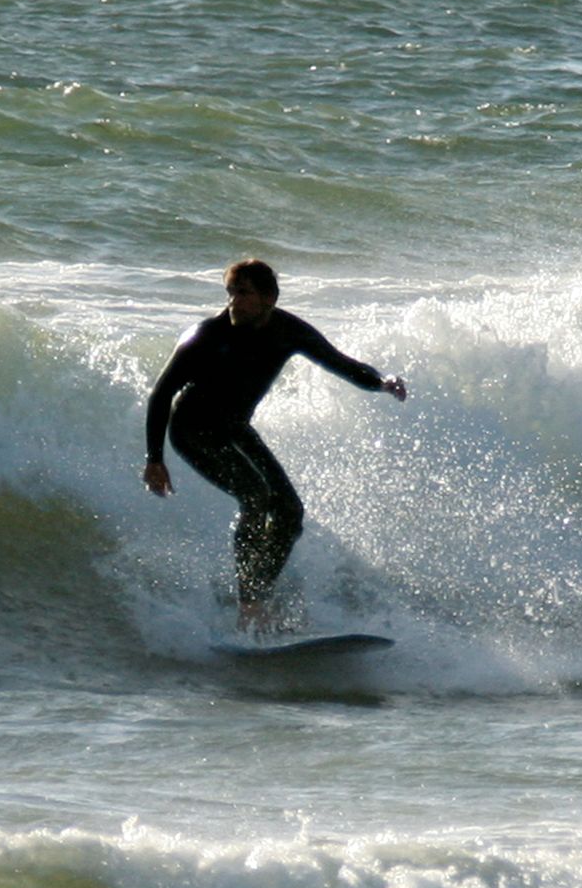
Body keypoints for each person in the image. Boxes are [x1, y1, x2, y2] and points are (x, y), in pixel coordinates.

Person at [142, 258, 406, 631]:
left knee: (289, 512)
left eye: (243, 293)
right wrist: (155, 458)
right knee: (255, 496)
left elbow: (342, 364)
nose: (234, 302)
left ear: (269, 298)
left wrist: (381, 381)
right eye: (230, 293)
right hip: (192, 430)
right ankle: (249, 606)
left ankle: (257, 593)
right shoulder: (206, 336)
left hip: (234, 428)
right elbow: (161, 393)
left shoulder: (288, 331)